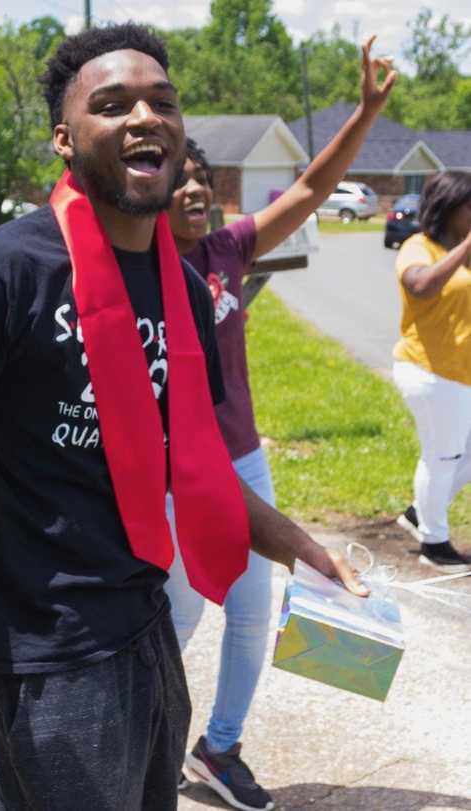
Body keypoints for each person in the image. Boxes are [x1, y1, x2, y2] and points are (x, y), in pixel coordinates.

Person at [0, 23, 366, 811]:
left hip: (144, 626)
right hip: (44, 647)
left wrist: (301, 547)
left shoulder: (181, 290)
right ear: (64, 139)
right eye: (113, 104)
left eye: (162, 102)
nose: (145, 117)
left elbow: (193, 465)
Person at [165, 38, 396, 811]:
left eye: (202, 181)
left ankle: (218, 747)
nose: (195, 193)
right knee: (179, 611)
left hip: (243, 459)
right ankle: (148, 737)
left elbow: (310, 188)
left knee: (252, 610)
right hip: (173, 469)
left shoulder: (230, 248)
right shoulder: (146, 265)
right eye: (180, 184)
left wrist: (365, 111)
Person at [393, 171, 471, 573]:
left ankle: (417, 513)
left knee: (463, 456)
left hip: (460, 375)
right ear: (449, 208)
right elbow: (420, 286)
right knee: (442, 457)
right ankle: (434, 543)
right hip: (429, 371)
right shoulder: (417, 247)